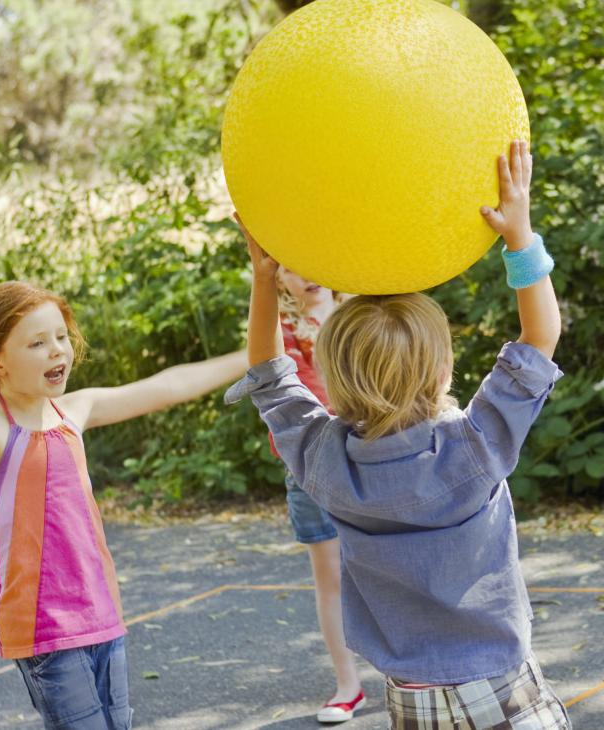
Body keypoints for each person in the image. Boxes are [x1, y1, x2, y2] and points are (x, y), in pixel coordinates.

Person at [227, 140, 571, 728]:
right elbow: (541, 335)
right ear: (442, 371)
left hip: (409, 697)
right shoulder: (473, 448)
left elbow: (269, 375)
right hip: (502, 688)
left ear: (331, 379)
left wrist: (264, 278)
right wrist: (519, 234)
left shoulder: (323, 460)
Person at [0, 281, 248, 730]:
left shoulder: (73, 411)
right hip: (43, 626)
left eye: (61, 337)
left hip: (102, 612)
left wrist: (252, 354)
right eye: (38, 342)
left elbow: (169, 385)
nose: (57, 350)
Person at [273, 265, 365, 722]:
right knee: (330, 576)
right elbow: (293, 391)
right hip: (309, 464)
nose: (306, 275)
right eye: (291, 268)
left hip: (366, 454)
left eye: (311, 262)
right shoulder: (280, 328)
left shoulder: (358, 313)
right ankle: (347, 683)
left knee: (386, 564)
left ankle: (405, 665)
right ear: (278, 279)